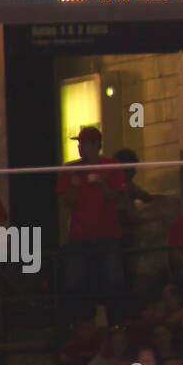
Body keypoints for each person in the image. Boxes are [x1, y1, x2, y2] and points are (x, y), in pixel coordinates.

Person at [55, 127, 127, 325]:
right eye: (79, 144)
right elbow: (65, 202)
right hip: (79, 237)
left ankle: (116, 327)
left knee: (113, 283)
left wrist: (103, 184)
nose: (80, 148)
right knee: (75, 286)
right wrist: (75, 187)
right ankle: (77, 329)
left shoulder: (112, 166)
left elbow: (119, 199)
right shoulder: (70, 169)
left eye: (83, 143)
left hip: (108, 235)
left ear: (96, 145)